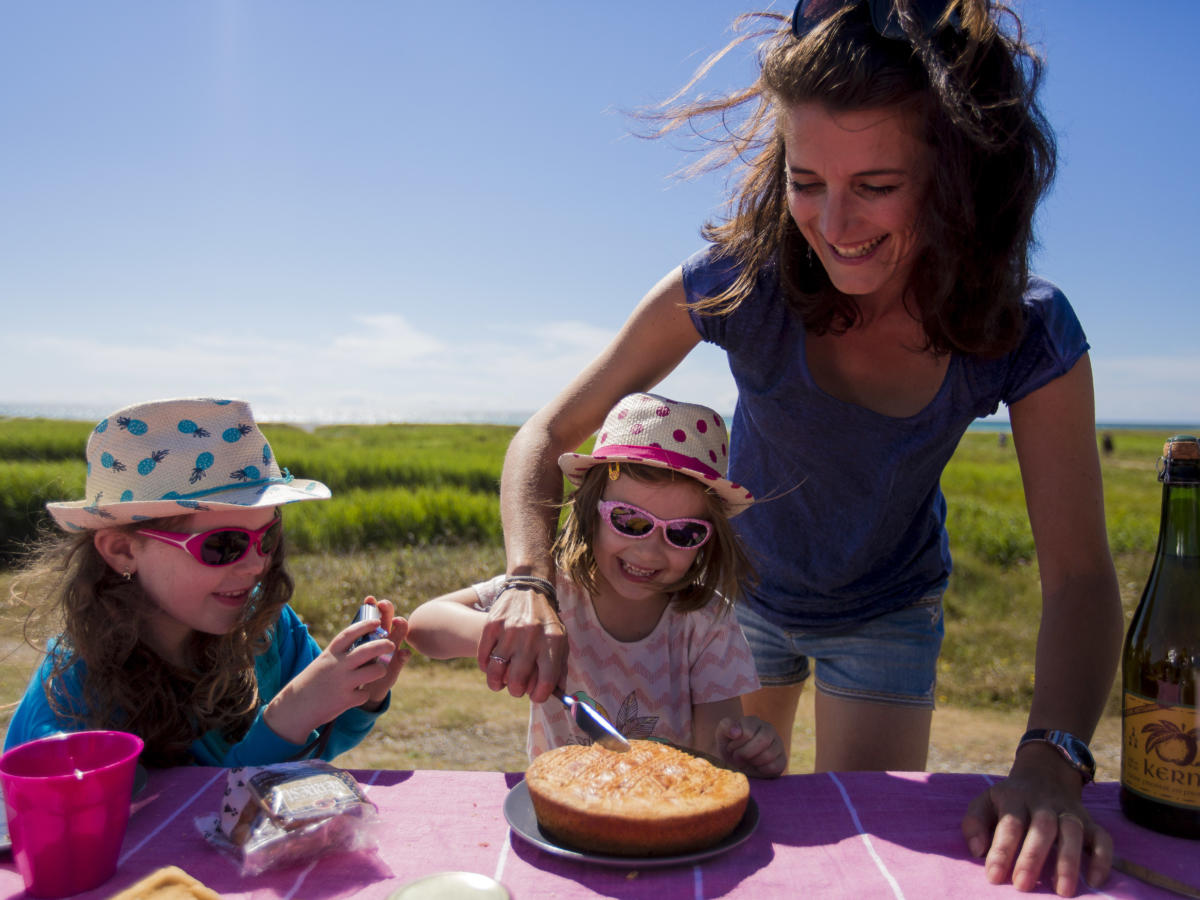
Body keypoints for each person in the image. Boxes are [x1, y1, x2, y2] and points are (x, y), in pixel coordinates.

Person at [479, 2, 1123, 895]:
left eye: (879, 184)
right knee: (723, 824)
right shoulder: (743, 281)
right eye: (807, 178)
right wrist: (525, 583)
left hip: (889, 608)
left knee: (868, 845)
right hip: (739, 599)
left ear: (956, 177)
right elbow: (547, 435)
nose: (835, 223)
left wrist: (1052, 760)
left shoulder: (1026, 326)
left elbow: (1082, 577)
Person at [5, 397, 411, 767]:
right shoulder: (73, 695)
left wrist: (361, 697)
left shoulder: (269, 628)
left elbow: (311, 745)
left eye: (266, 538)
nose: (256, 564)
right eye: (223, 545)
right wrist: (287, 716)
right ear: (122, 551)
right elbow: (160, 832)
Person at [407, 393, 785, 778]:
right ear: (591, 510)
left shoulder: (708, 623)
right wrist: (514, 635)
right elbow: (423, 626)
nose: (650, 552)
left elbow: (713, 751)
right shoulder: (548, 595)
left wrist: (741, 752)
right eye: (629, 521)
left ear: (709, 539)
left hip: (662, 809)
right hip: (563, 802)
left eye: (684, 533)